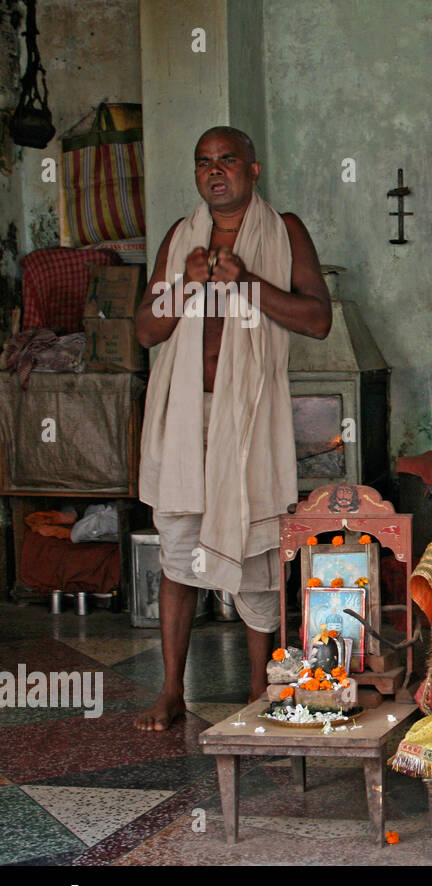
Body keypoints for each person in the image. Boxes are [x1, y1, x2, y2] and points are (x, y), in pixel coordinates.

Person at [133, 127, 331, 730]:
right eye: (204, 164)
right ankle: (172, 691)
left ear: (253, 168)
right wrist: (188, 283)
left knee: (257, 551)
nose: (215, 172)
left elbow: (318, 319)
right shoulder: (179, 237)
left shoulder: (285, 230)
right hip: (185, 414)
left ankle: (256, 689)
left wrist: (246, 282)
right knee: (177, 554)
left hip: (249, 417)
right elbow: (146, 330)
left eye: (227, 161)